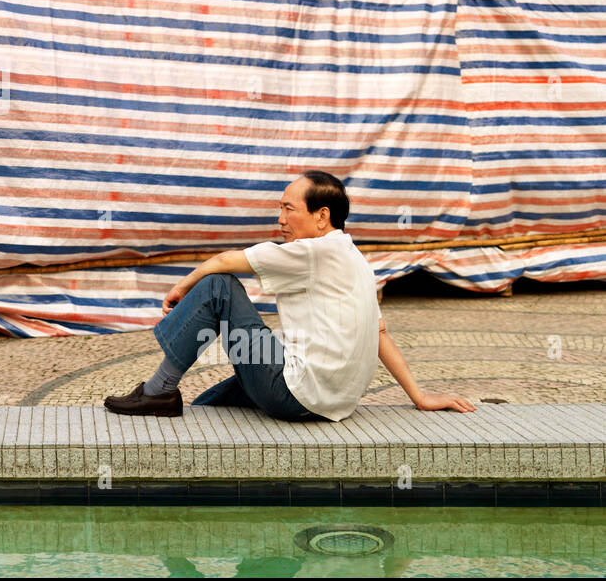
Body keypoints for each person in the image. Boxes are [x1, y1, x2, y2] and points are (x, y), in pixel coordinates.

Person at [104, 171, 476, 421]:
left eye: (288, 208)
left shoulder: (313, 251)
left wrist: (182, 286)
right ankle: (169, 397)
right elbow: (379, 336)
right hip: (334, 402)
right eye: (280, 208)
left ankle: (158, 392)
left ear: (321, 216)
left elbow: (222, 261)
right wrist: (419, 396)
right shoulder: (355, 258)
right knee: (211, 405)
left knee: (218, 286)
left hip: (296, 393)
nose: (280, 218)